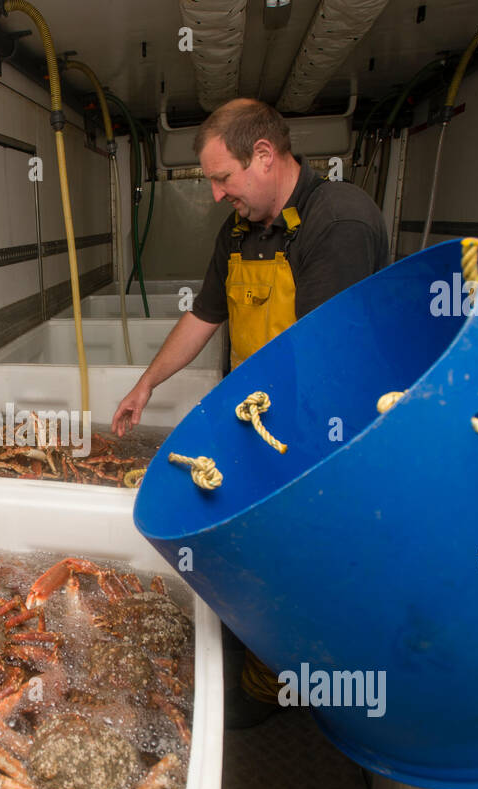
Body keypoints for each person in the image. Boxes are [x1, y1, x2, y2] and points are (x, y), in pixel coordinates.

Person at [111, 97, 389, 728]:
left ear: (264, 156)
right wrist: (147, 384)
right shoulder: (241, 227)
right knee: (249, 559)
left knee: (295, 567)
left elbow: (322, 363)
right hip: (256, 425)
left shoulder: (338, 223)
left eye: (220, 177)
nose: (214, 195)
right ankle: (242, 654)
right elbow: (205, 315)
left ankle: (274, 696)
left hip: (318, 435)